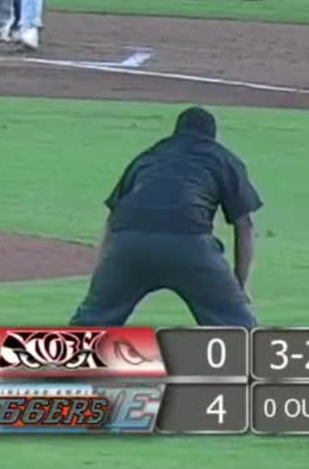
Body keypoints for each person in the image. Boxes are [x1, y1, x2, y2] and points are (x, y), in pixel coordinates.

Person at [68, 107, 262, 328]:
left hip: (128, 244)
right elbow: (244, 225)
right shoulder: (223, 158)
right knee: (236, 328)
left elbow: (113, 217)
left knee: (90, 324)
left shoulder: (150, 156)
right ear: (213, 135)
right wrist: (240, 285)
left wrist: (106, 270)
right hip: (189, 245)